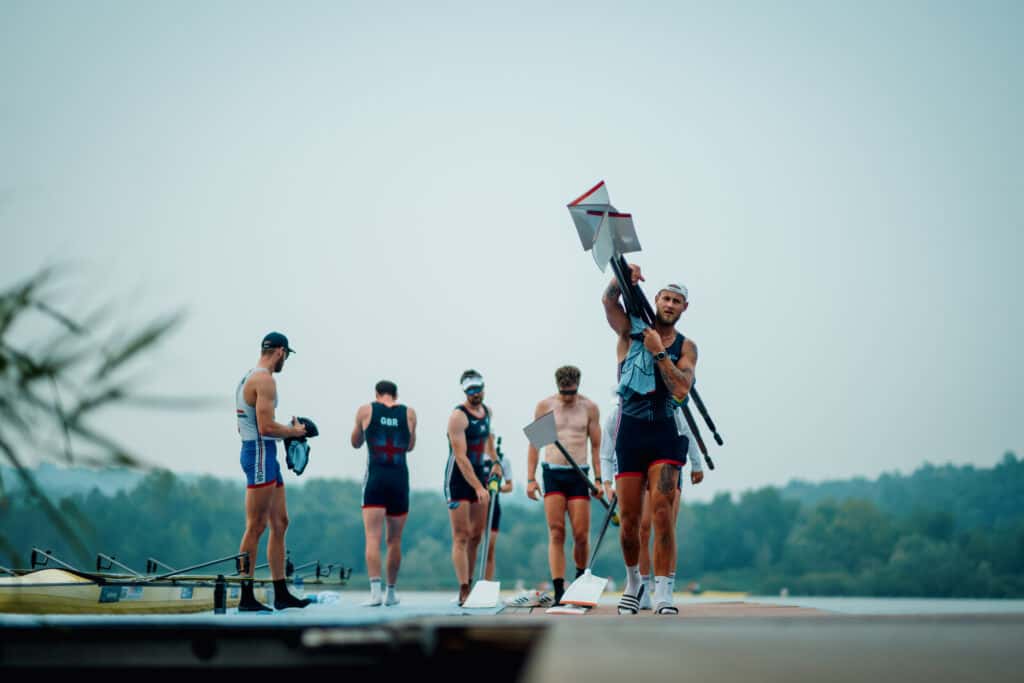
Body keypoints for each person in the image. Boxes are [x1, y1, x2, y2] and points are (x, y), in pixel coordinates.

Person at [602, 267, 697, 615]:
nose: (669, 305)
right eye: (665, 298)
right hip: (631, 431)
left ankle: (664, 592)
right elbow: (608, 301)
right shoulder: (629, 330)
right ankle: (633, 583)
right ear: (656, 300)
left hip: (664, 432)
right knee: (629, 521)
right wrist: (621, 278)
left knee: (662, 514)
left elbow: (681, 389)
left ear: (684, 308)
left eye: (676, 301)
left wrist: (658, 353)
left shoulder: (686, 346)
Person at [602, 396, 704, 609]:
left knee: (665, 523)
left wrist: (696, 463)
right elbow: (607, 453)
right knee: (643, 528)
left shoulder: (669, 406)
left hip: (666, 459)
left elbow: (687, 431)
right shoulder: (615, 415)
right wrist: (607, 482)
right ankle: (641, 588)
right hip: (636, 461)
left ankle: (664, 590)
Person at [234, 331, 311, 611]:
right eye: (286, 356)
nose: (285, 361)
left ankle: (281, 593)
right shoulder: (265, 380)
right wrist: (295, 432)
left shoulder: (249, 377)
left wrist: (287, 430)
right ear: (280, 351)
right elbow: (266, 427)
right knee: (256, 525)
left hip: (265, 453)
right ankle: (246, 596)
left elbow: (253, 425)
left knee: (280, 522)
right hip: (259, 454)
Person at [525, 365, 603, 606]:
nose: (568, 397)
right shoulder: (545, 406)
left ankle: (578, 583)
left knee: (581, 534)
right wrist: (530, 479)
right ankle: (559, 590)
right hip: (553, 473)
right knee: (557, 532)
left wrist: (599, 480)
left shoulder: (589, 408)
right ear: (557, 387)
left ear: (578, 386)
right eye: (564, 393)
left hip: (579, 474)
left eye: (572, 392)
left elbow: (596, 447)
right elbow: (535, 445)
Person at [351, 380, 417, 607]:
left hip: (376, 480)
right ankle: (391, 593)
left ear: (376, 394)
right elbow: (410, 446)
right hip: (399, 480)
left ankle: (375, 593)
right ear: (396, 395)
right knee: (394, 540)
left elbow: (355, 442)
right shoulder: (409, 413)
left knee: (372, 537)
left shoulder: (365, 410)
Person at [444, 369, 500, 605]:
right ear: (465, 391)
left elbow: (489, 443)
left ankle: (472, 581)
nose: (475, 394)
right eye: (470, 391)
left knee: (477, 535)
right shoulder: (458, 417)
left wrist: (495, 462)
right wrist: (478, 486)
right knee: (461, 535)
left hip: (480, 475)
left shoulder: (488, 412)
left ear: (483, 388)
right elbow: (461, 457)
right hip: (458, 478)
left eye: (478, 389)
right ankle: (463, 588)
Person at [483, 439, 513, 581]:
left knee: (489, 549)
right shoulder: (474, 457)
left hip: (494, 505)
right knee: (473, 545)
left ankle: (487, 583)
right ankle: (467, 584)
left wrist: (496, 488)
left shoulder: (503, 460)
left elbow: (510, 486)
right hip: (477, 505)